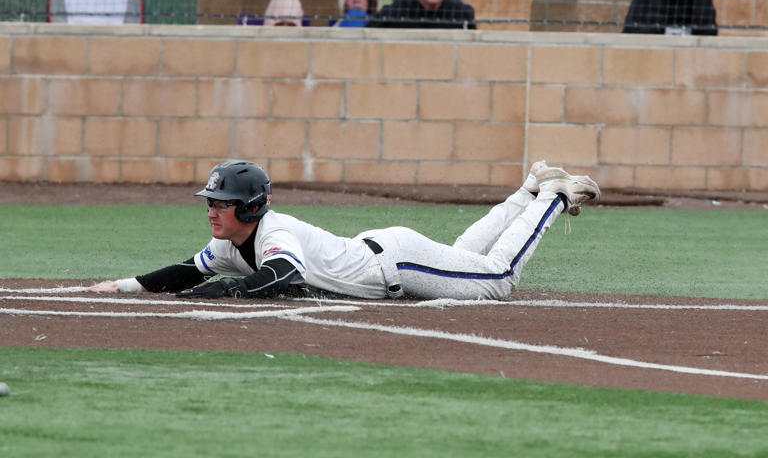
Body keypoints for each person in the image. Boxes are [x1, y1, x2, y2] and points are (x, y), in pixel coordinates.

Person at [88, 160, 599, 301]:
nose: (212, 212)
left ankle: (552, 195)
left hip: (394, 263)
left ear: (250, 207)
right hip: (388, 254)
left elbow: (278, 276)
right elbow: (187, 271)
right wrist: (126, 286)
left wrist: (221, 293)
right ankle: (528, 189)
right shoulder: (230, 242)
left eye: (222, 204)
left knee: (497, 279)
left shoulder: (274, 232)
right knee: (461, 256)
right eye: (211, 203)